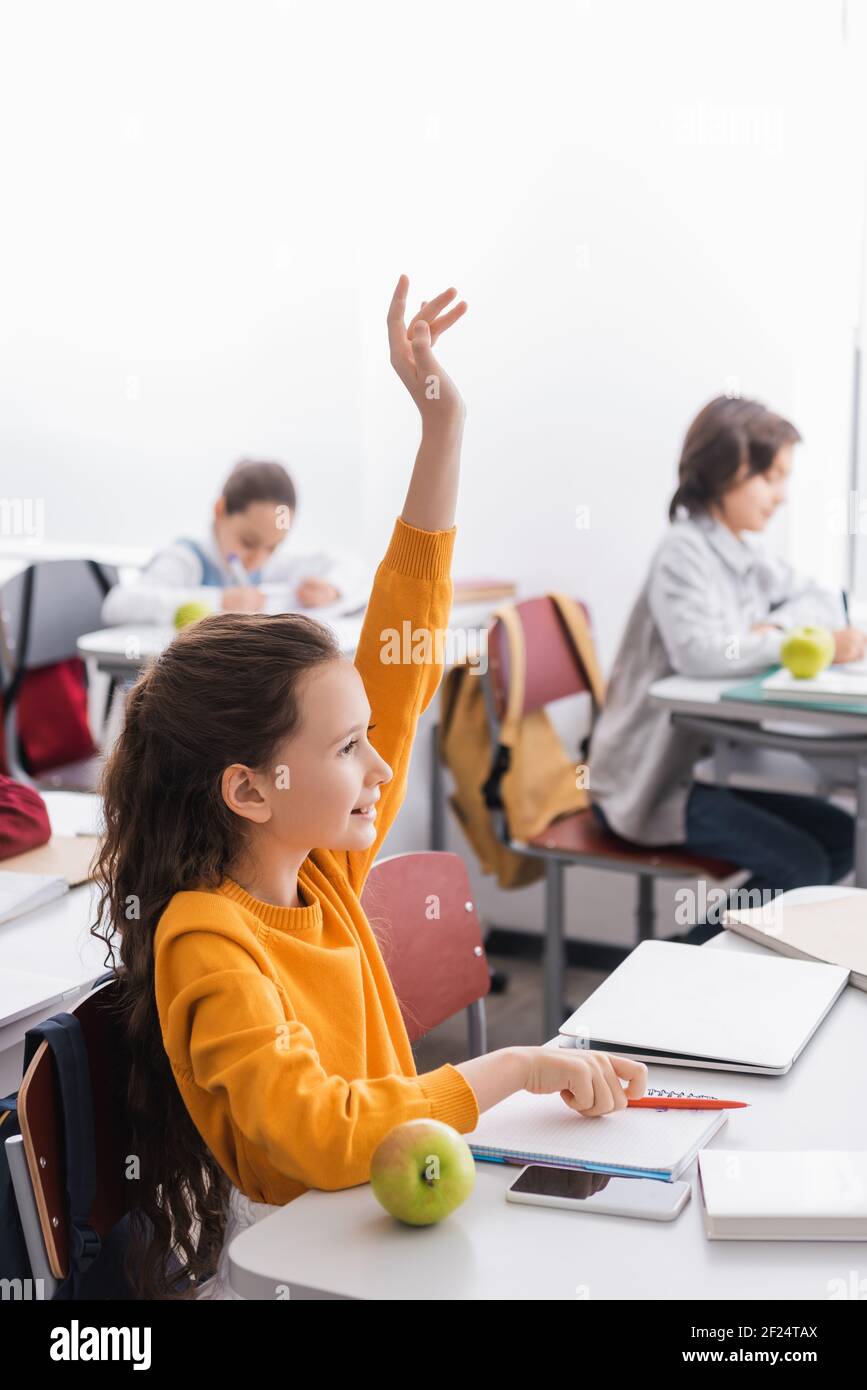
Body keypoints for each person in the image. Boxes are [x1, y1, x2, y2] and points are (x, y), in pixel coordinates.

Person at [93, 276, 647, 1300]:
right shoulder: (205, 939)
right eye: (350, 748)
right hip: (296, 1266)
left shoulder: (323, 870)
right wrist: (517, 1068)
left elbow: (404, 639)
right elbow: (327, 1132)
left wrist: (444, 424)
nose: (383, 765)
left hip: (388, 1226)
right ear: (250, 789)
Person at [589, 395, 863, 939]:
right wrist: (784, 639)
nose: (781, 497)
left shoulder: (744, 553)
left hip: (711, 770)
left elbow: (824, 600)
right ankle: (674, 967)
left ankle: (716, 964)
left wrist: (775, 631)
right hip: (652, 782)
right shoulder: (683, 552)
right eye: (772, 477)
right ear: (734, 470)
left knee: (838, 836)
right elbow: (702, 653)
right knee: (803, 867)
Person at [100, 458, 367, 626]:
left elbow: (349, 565)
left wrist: (333, 589)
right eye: (249, 542)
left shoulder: (265, 564)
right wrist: (221, 602)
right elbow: (118, 605)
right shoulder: (186, 559)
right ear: (220, 511)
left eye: (273, 547)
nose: (259, 558)